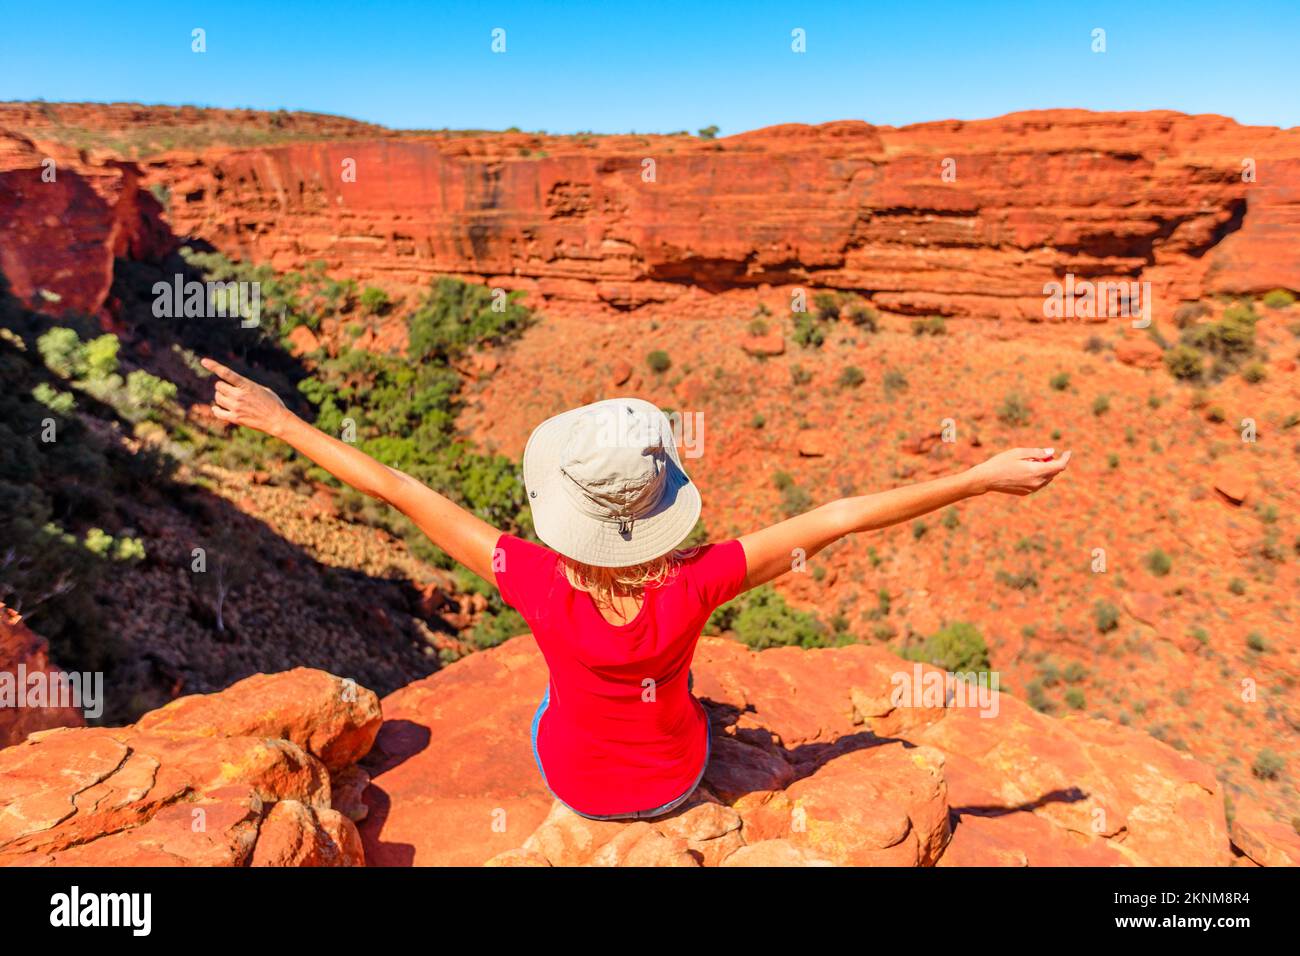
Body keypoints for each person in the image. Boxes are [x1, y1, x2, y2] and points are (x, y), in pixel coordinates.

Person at [202, 357, 1071, 821]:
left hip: (575, 787)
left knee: (553, 700)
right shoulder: (701, 580)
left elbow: (393, 486)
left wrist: (280, 420)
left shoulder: (531, 576)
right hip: (677, 782)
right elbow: (840, 516)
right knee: (682, 689)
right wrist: (976, 478)